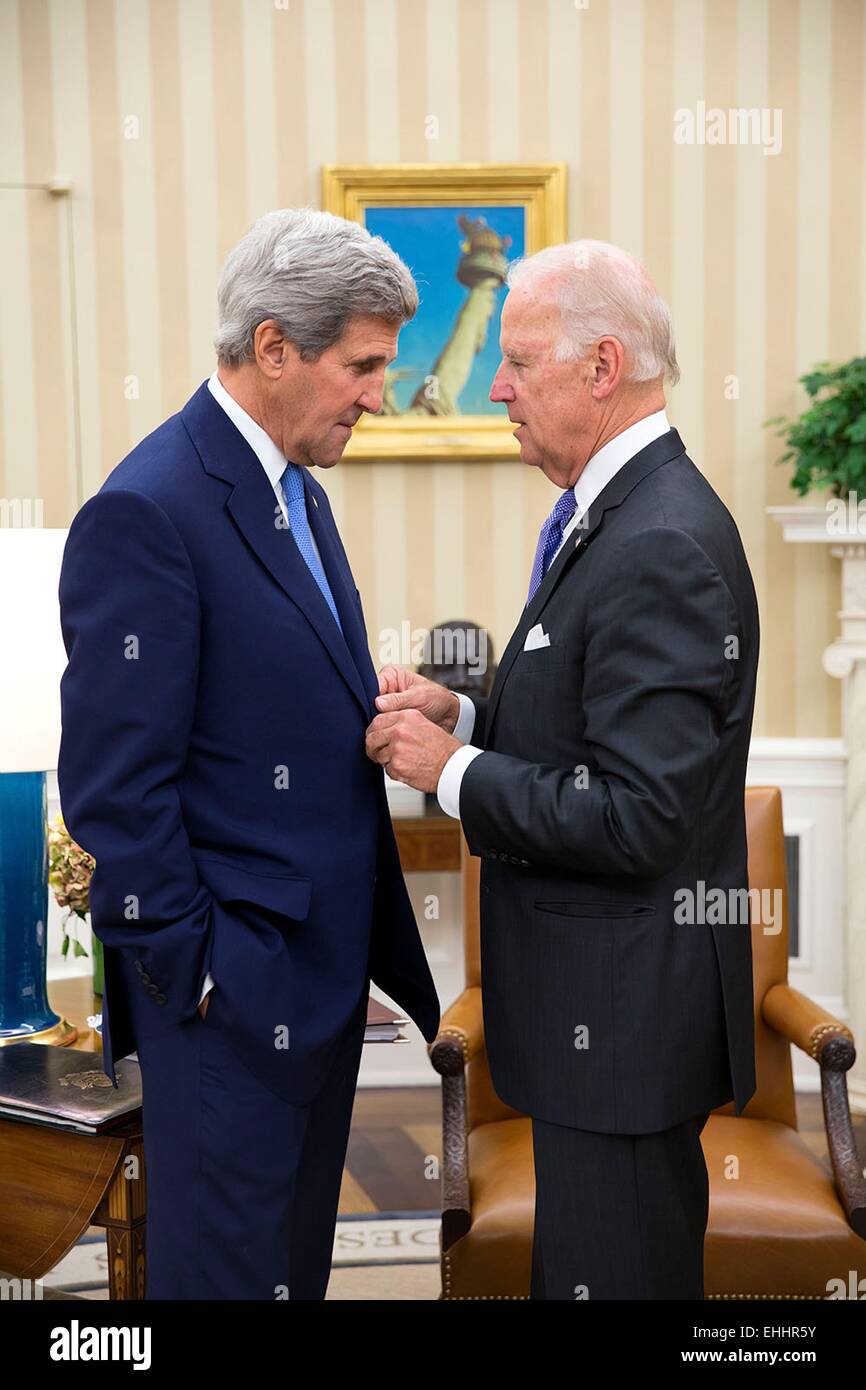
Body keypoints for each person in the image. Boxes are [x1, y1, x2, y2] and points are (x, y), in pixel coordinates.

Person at [366, 238, 759, 1300]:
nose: (495, 386)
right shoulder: (619, 516)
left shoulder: (657, 544)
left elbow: (636, 815)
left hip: (623, 1033)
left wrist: (450, 771)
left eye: (519, 360)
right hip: (606, 1026)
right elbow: (598, 737)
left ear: (598, 367)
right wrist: (474, 716)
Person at [58, 207, 439, 1300]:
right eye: (362, 365)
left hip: (312, 987)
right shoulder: (147, 509)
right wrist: (209, 970)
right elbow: (115, 791)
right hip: (227, 1000)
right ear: (273, 347)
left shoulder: (298, 493)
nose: (378, 392)